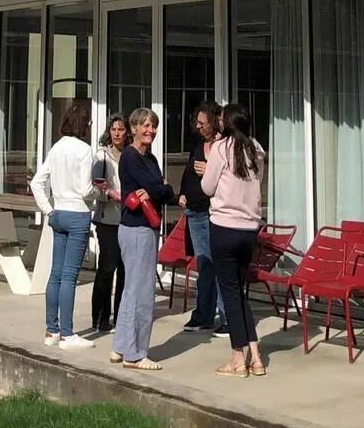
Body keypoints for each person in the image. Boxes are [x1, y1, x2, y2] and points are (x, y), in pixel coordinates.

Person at [201, 103, 267, 377]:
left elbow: (207, 187)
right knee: (238, 292)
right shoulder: (256, 149)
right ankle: (256, 356)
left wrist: (207, 166)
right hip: (249, 229)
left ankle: (238, 357)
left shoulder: (221, 148)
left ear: (226, 123)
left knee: (229, 293)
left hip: (224, 226)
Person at [30, 102, 98, 352]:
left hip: (57, 212)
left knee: (56, 274)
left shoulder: (56, 147)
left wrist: (48, 210)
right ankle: (67, 335)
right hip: (78, 214)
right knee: (70, 276)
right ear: (84, 125)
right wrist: (99, 191)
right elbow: (85, 190)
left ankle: (52, 330)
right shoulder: (84, 150)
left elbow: (36, 183)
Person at [111, 108, 173, 371]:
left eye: (153, 126)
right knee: (142, 292)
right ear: (133, 128)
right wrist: (161, 189)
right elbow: (159, 187)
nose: (150, 131)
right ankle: (135, 354)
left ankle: (120, 346)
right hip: (137, 229)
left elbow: (163, 190)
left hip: (145, 228)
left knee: (132, 290)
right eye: (145, 126)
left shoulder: (151, 158)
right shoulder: (130, 156)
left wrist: (161, 189)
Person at [178, 100, 228, 335]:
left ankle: (227, 318)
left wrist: (209, 170)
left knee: (220, 266)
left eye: (203, 123)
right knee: (204, 265)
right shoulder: (198, 144)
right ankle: (203, 315)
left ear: (215, 122)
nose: (198, 127)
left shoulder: (225, 145)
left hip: (215, 213)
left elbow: (231, 178)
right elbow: (188, 171)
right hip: (195, 212)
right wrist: (182, 193)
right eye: (196, 123)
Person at [91, 114, 129, 333]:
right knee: (107, 270)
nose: (117, 133)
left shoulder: (131, 154)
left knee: (124, 271)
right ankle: (100, 318)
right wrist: (110, 194)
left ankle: (120, 316)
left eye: (121, 129)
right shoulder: (102, 156)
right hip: (107, 220)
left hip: (128, 219)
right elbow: (96, 184)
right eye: (113, 129)